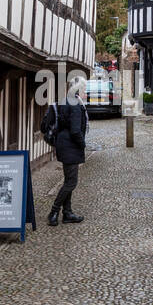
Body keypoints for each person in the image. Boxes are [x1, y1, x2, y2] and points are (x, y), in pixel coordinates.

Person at [48, 86, 88, 225]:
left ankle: (67, 213)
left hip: (63, 144)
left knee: (68, 180)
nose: (86, 93)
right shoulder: (75, 105)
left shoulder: (65, 101)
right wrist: (83, 144)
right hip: (70, 146)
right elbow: (76, 130)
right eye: (84, 90)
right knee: (71, 182)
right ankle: (54, 212)